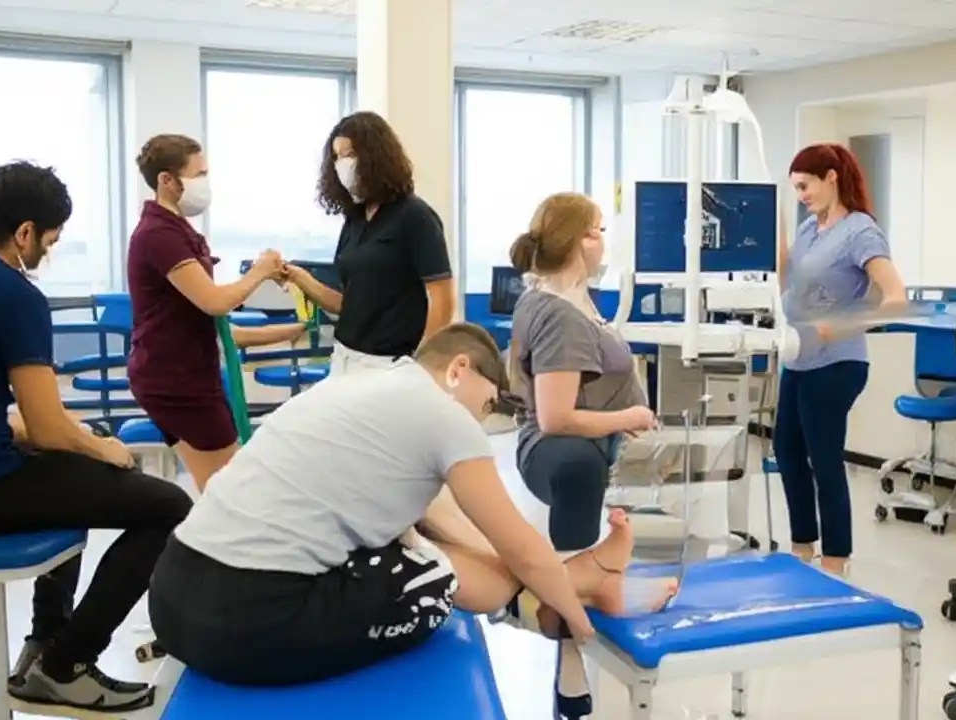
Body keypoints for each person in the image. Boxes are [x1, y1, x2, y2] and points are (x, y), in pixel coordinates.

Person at [147, 323, 669, 687]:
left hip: (172, 597)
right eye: (487, 402)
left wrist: (542, 570)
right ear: (459, 369)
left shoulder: (362, 389)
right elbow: (517, 545)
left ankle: (570, 584)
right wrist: (579, 623)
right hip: (242, 623)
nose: (482, 417)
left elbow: (450, 523)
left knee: (421, 537)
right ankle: (574, 590)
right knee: (429, 576)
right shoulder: (442, 415)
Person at [0, 162, 193, 712]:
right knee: (167, 505)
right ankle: (65, 665)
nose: (48, 250)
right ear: (24, 233)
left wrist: (55, 437)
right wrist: (102, 447)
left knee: (73, 467)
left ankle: (44, 644)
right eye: (50, 238)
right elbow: (47, 427)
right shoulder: (13, 293)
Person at [507, 192, 658, 718]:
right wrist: (628, 417)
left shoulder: (568, 298)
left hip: (594, 443)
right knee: (579, 468)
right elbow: (555, 417)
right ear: (577, 241)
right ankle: (563, 629)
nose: (602, 241)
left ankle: (597, 584)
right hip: (563, 450)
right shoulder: (560, 313)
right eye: (597, 231)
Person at [126, 134, 306, 491]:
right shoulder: (158, 235)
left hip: (183, 374)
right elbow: (215, 302)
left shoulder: (177, 231)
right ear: (166, 180)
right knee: (231, 491)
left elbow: (213, 326)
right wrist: (260, 271)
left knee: (223, 487)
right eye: (198, 175)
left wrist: (292, 330)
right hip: (176, 381)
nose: (204, 183)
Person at [775, 143, 907, 577]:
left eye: (805, 186)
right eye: (795, 189)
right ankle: (802, 548)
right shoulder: (810, 228)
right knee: (787, 452)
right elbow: (788, 279)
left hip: (837, 363)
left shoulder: (860, 231)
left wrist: (844, 325)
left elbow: (895, 297)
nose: (801, 196)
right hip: (799, 359)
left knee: (823, 458)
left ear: (831, 177)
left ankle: (835, 559)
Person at [281, 111, 455, 375]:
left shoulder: (415, 216)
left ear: (375, 156)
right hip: (346, 356)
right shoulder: (354, 221)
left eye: (350, 154)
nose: (342, 165)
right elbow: (349, 305)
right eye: (337, 157)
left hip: (391, 362)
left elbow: (442, 301)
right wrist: (299, 277)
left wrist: (421, 364)